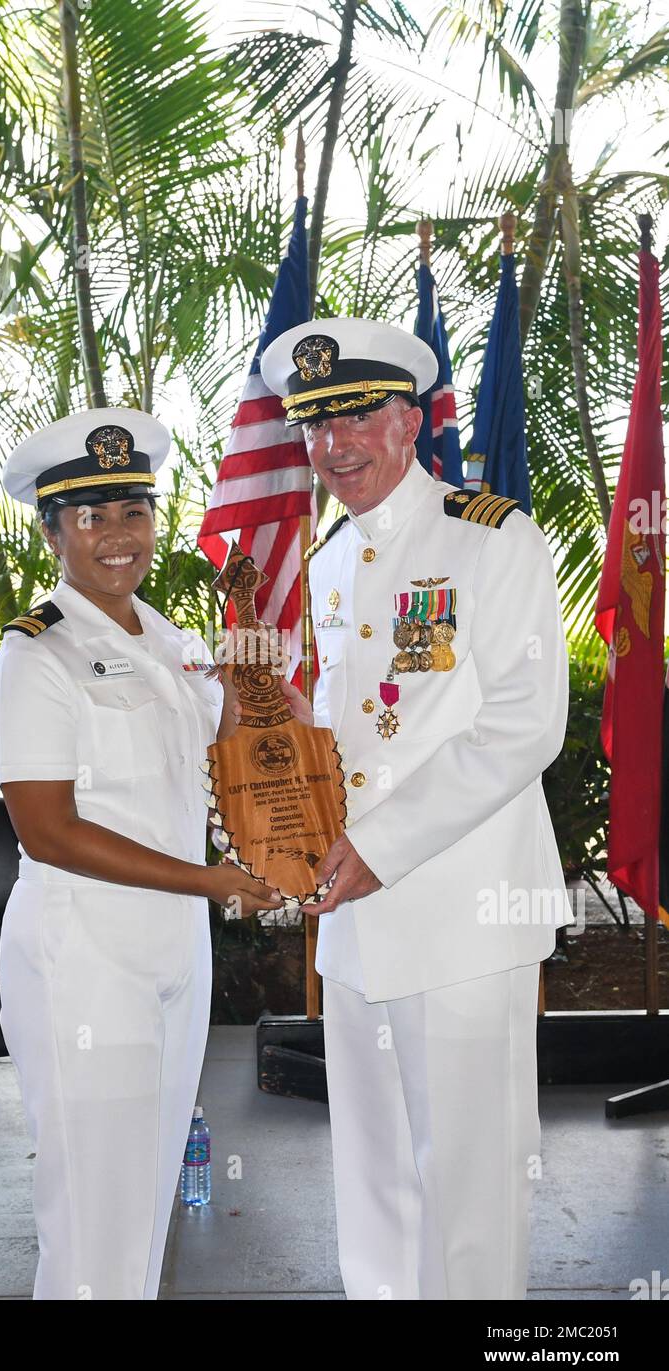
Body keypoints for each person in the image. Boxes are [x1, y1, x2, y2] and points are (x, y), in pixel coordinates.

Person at [260, 318, 574, 1300]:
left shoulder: (489, 538)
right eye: (315, 424)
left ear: (410, 420)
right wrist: (277, 736)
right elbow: (365, 734)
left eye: (355, 415)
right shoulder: (329, 562)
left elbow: (526, 725)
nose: (334, 444)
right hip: (356, 916)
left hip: (461, 916)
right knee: (375, 1173)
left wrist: (381, 843)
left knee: (469, 1183)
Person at [0, 406, 281, 1300]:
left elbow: (237, 769)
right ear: (53, 532)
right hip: (87, 954)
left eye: (133, 511)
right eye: (90, 517)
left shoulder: (174, 648)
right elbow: (50, 831)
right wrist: (212, 883)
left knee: (144, 1198)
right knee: (92, 1210)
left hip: (175, 948)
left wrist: (278, 723)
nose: (118, 536)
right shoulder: (36, 657)